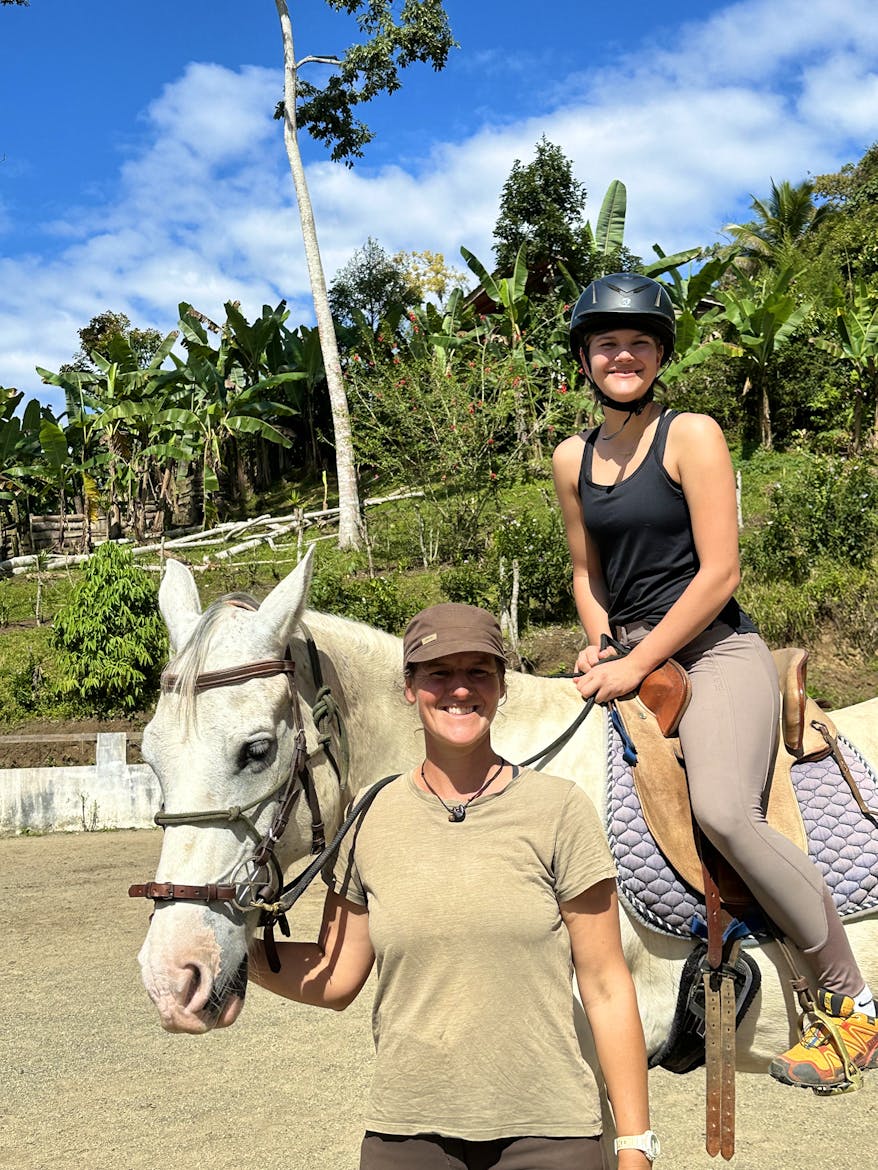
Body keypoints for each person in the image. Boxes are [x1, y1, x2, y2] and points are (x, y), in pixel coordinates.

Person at [552, 272, 878, 1091]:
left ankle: (853, 1006)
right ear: (585, 359)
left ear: (659, 354)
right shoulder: (571, 458)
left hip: (713, 652)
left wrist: (635, 659)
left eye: (637, 342)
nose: (621, 355)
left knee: (725, 811)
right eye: (605, 344)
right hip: (629, 655)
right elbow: (585, 573)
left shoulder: (689, 434)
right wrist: (601, 645)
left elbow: (720, 572)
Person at [250, 601, 659, 1170]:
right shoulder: (368, 818)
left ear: (502, 687)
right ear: (408, 687)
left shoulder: (561, 809)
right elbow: (337, 975)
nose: (459, 691)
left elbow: (607, 984)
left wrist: (635, 1145)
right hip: (408, 1136)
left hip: (551, 1133)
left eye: (478, 673)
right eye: (439, 673)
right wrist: (233, 955)